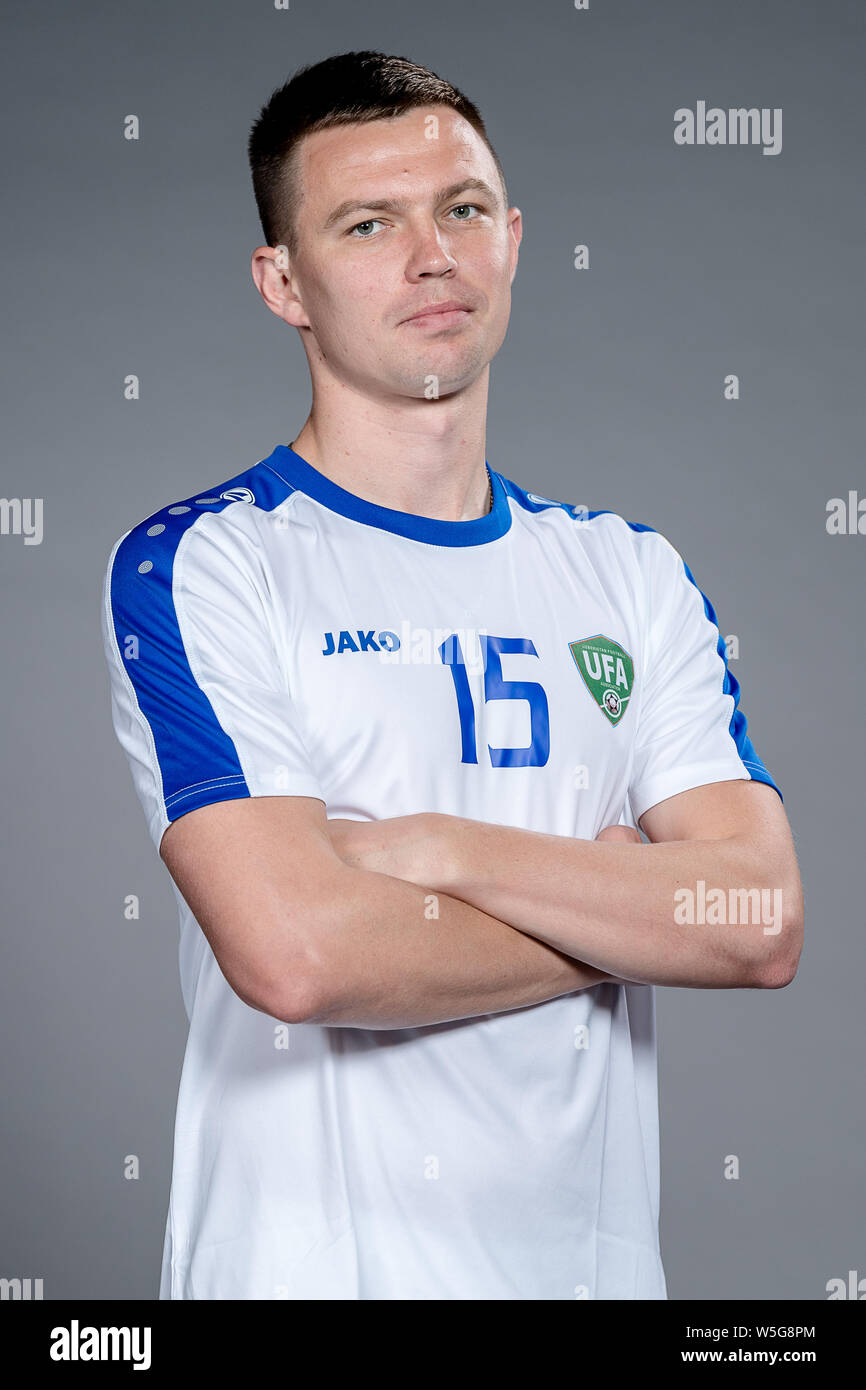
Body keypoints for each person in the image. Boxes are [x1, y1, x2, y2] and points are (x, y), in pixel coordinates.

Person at [100, 49, 803, 1300]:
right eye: (368, 223)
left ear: (514, 238)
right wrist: (625, 919)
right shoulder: (206, 564)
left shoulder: (626, 575)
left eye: (462, 209)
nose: (432, 256)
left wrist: (438, 848)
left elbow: (754, 920)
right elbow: (299, 957)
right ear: (283, 283)